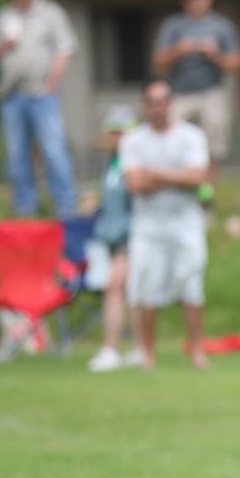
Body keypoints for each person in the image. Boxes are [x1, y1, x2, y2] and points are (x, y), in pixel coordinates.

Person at [120, 80, 211, 371]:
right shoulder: (132, 140)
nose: (159, 107)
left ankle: (196, 349)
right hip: (148, 226)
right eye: (153, 101)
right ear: (145, 106)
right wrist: (177, 177)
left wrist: (156, 174)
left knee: (191, 285)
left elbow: (197, 178)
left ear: (170, 103)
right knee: (146, 286)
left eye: (164, 100)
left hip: (186, 222)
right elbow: (134, 184)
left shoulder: (191, 136)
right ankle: (147, 353)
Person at [0, 0, 78, 219]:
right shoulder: (4, 15)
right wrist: (4, 46)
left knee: (53, 151)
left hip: (42, 94)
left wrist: (51, 83)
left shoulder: (50, 12)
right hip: (13, 95)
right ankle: (25, 210)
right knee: (17, 157)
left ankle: (66, 209)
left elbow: (66, 49)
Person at [152, 0, 240, 182]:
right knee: (171, 139)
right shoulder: (173, 25)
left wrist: (216, 56)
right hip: (179, 92)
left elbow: (237, 64)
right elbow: (158, 64)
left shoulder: (222, 25)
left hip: (212, 90)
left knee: (214, 143)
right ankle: (175, 184)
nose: (196, 0)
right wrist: (178, 51)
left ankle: (207, 193)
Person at [87, 105, 143, 373]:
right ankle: (140, 347)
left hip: (131, 237)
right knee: (130, 293)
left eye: (121, 132)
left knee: (114, 287)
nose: (116, 137)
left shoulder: (136, 163)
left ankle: (110, 349)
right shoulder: (111, 163)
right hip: (110, 237)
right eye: (112, 132)